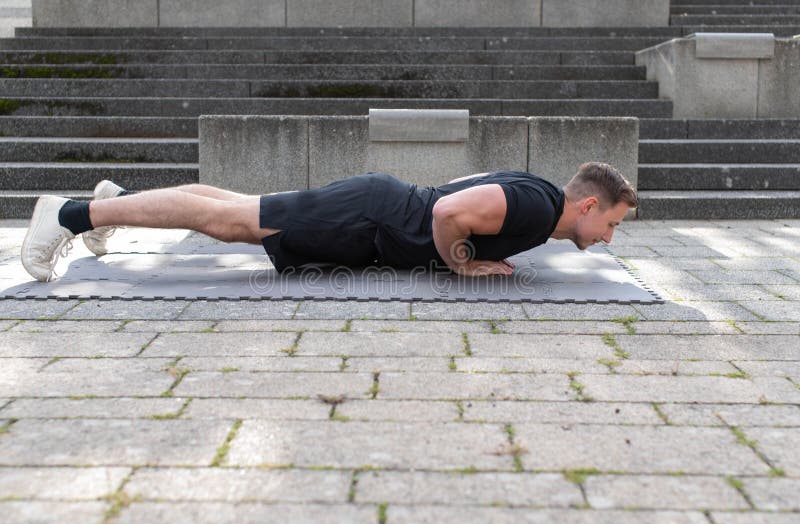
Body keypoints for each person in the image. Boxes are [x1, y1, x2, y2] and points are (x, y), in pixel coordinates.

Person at [20, 162, 637, 282]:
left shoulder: (536, 196)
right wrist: (463, 262)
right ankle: (71, 214)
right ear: (588, 206)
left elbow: (453, 190)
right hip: (368, 214)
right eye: (611, 225)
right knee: (230, 222)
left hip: (374, 206)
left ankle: (119, 198)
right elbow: (449, 210)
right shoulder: (536, 209)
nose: (609, 237)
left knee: (237, 207)